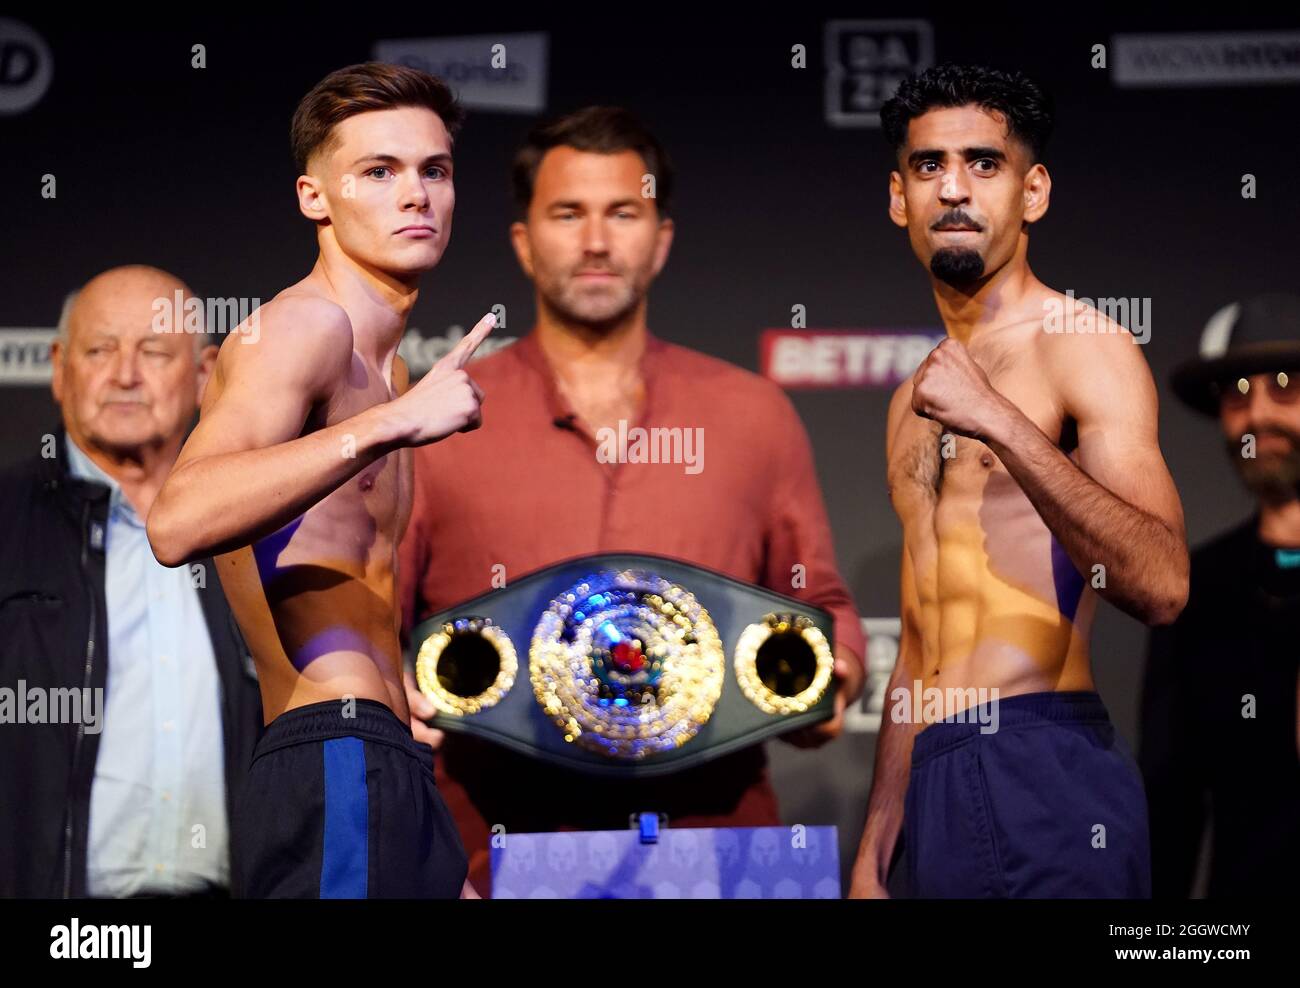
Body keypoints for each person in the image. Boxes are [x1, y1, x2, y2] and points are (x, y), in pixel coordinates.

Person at [399, 106, 867, 896]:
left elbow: (817, 603)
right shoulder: (437, 416)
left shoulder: (753, 414)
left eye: (623, 212)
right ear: (522, 240)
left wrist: (835, 674)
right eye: (567, 213)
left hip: (719, 848)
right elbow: (379, 617)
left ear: (662, 238)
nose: (595, 241)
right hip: (489, 851)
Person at [145, 63, 493, 898]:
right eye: (379, 171)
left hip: (387, 756)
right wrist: (384, 426)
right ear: (315, 197)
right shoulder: (304, 327)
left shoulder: (394, 369)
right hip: (333, 755)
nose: (416, 195)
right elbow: (177, 521)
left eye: (433, 171)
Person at [848, 64, 1188, 898]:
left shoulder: (1083, 343)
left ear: (1032, 192)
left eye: (984, 164)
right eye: (929, 166)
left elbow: (1162, 581)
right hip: (935, 773)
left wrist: (1000, 419)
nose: (954, 188)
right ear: (899, 198)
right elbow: (921, 644)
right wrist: (879, 835)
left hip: (1047, 764)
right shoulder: (908, 404)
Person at [0, 265, 262, 898]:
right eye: (99, 350)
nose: (123, 375)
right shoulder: (7, 519)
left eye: (152, 351)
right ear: (59, 368)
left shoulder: (258, 529)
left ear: (204, 375)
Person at [1141, 292, 1300, 897]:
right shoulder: (1192, 587)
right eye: (1237, 393)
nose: (1257, 415)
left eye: (1283, 385)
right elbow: (1170, 798)